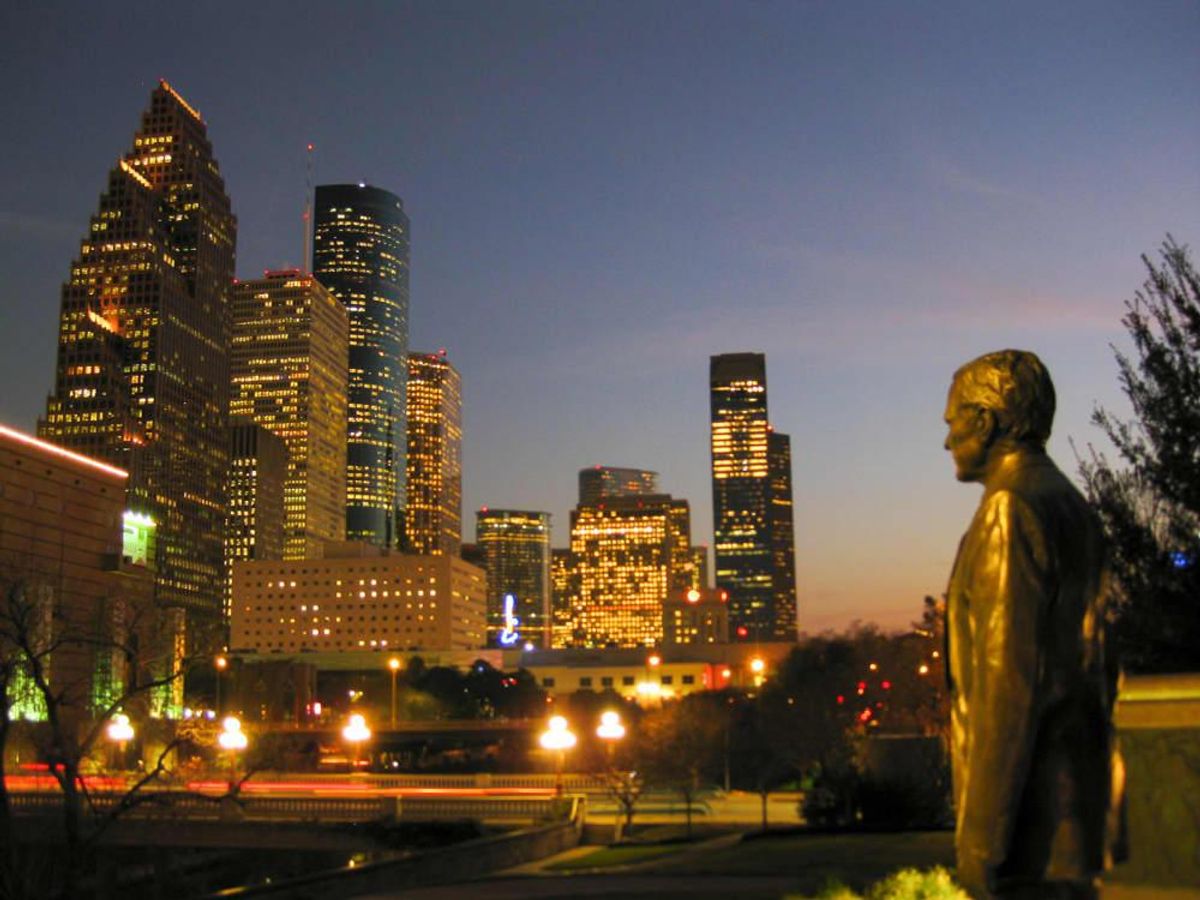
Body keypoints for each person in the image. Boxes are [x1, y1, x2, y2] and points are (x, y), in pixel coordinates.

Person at [943, 350, 1122, 899]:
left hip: (1029, 831)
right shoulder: (1072, 507)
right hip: (1076, 814)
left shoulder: (1009, 511)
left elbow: (1007, 688)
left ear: (985, 420)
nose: (947, 442)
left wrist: (982, 841)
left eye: (952, 423)